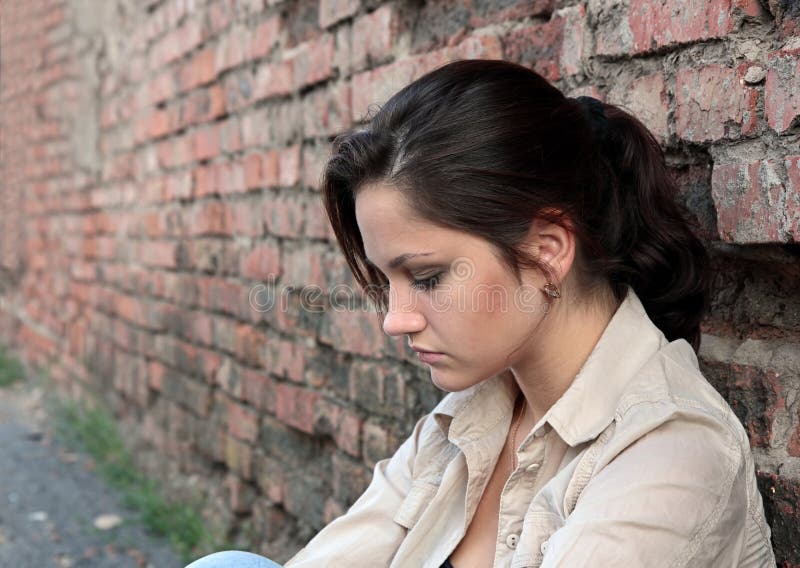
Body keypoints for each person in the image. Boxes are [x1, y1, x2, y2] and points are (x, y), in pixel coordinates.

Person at [185, 58, 776, 567]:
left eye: (427, 277)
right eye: (387, 280)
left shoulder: (672, 454)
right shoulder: (470, 416)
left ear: (546, 251)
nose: (395, 319)